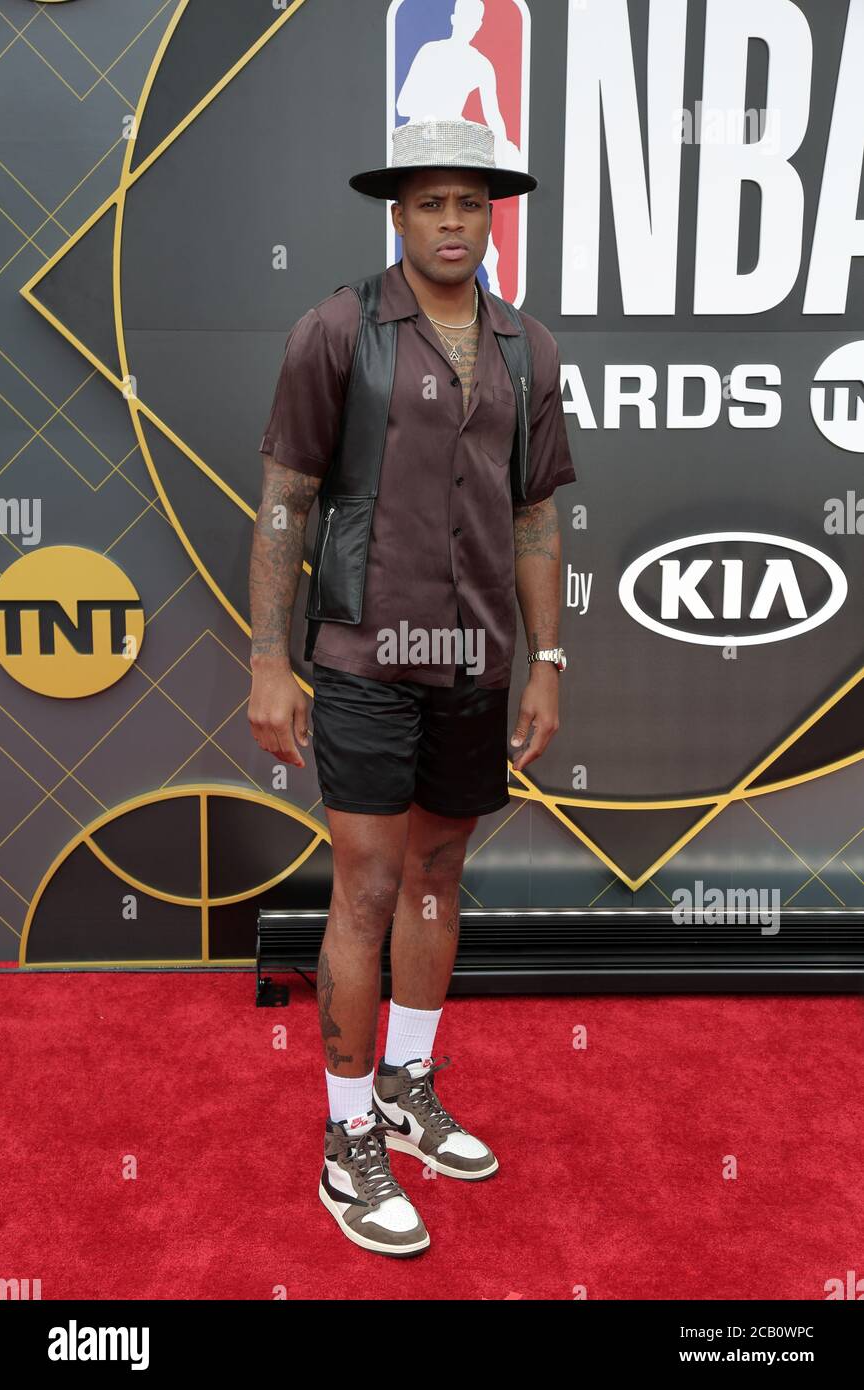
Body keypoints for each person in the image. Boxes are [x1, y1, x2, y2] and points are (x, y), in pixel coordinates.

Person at [249, 118, 575, 1257]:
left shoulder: (527, 347)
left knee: (438, 873)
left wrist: (546, 660)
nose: (451, 221)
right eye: (430, 202)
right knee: (369, 886)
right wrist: (268, 660)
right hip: (362, 660)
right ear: (397, 215)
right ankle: (347, 1142)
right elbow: (286, 500)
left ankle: (405, 1085)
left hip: (476, 663)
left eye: (469, 202)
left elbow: (534, 515)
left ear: (492, 217)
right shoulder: (337, 328)